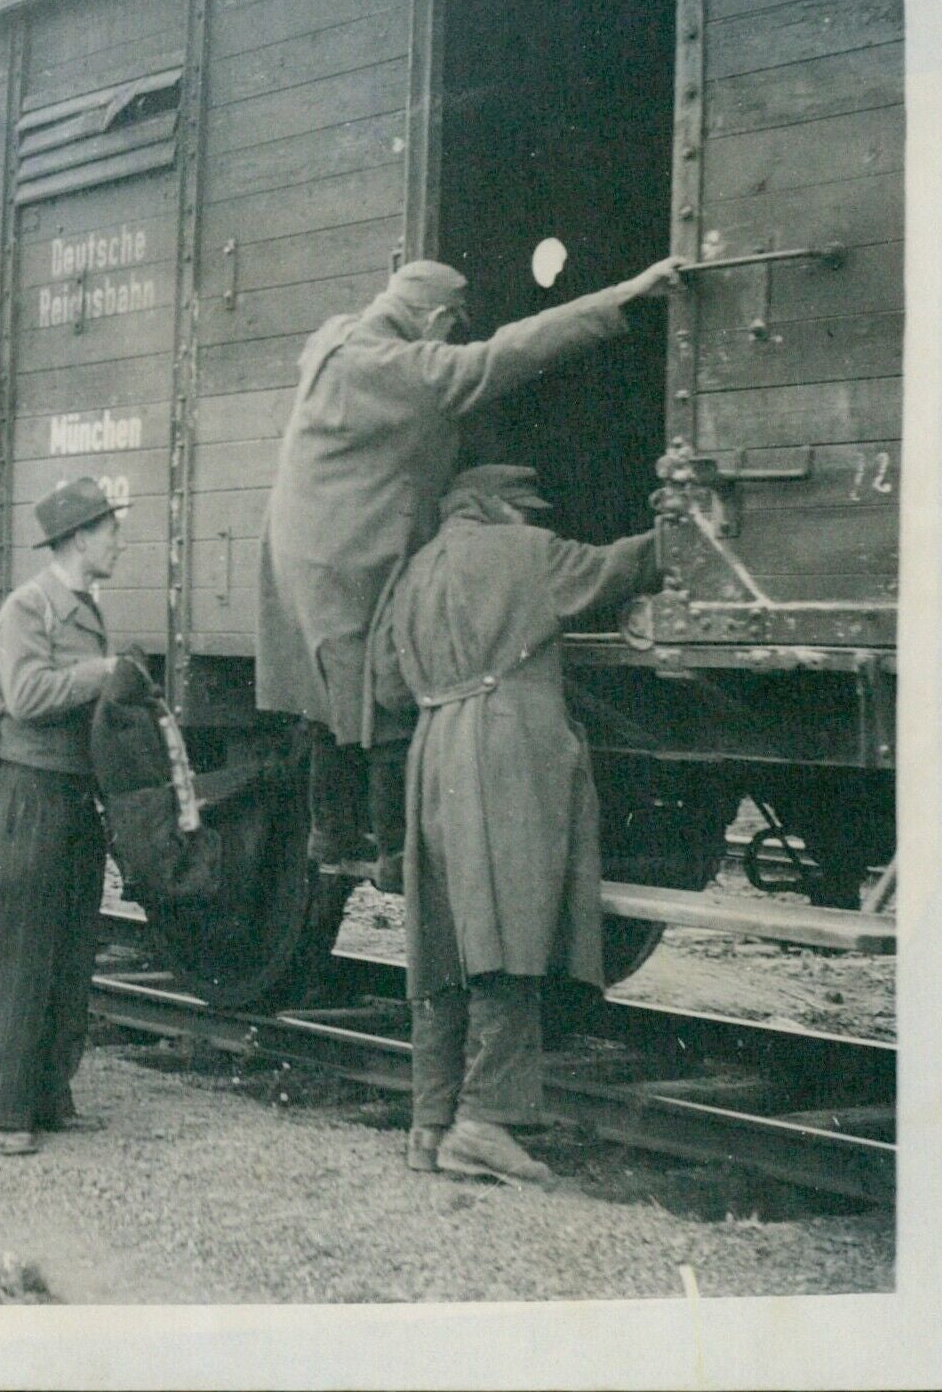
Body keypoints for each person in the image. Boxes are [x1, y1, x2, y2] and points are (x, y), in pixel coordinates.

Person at [255, 255, 683, 890]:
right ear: (434, 317)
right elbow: (503, 356)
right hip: (349, 556)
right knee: (390, 692)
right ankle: (397, 858)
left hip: (308, 549)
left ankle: (333, 834)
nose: (454, 337)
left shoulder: (341, 336)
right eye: (452, 326)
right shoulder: (395, 367)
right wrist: (621, 295)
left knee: (329, 704)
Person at [373, 465, 664, 1183]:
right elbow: (610, 569)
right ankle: (484, 1122)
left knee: (444, 942)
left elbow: (382, 685)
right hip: (502, 750)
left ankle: (430, 1121)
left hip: (432, 749)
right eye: (527, 510)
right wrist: (675, 527)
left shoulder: (410, 574)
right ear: (497, 506)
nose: (534, 521)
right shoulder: (520, 551)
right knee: (510, 934)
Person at [0, 477, 124, 1155]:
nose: (117, 540)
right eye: (109, 530)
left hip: (72, 796)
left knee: (69, 951)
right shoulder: (29, 606)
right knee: (23, 953)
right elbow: (28, 694)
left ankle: (50, 1092)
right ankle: (4, 1108)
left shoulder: (85, 607)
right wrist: (103, 676)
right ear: (79, 538)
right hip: (28, 793)